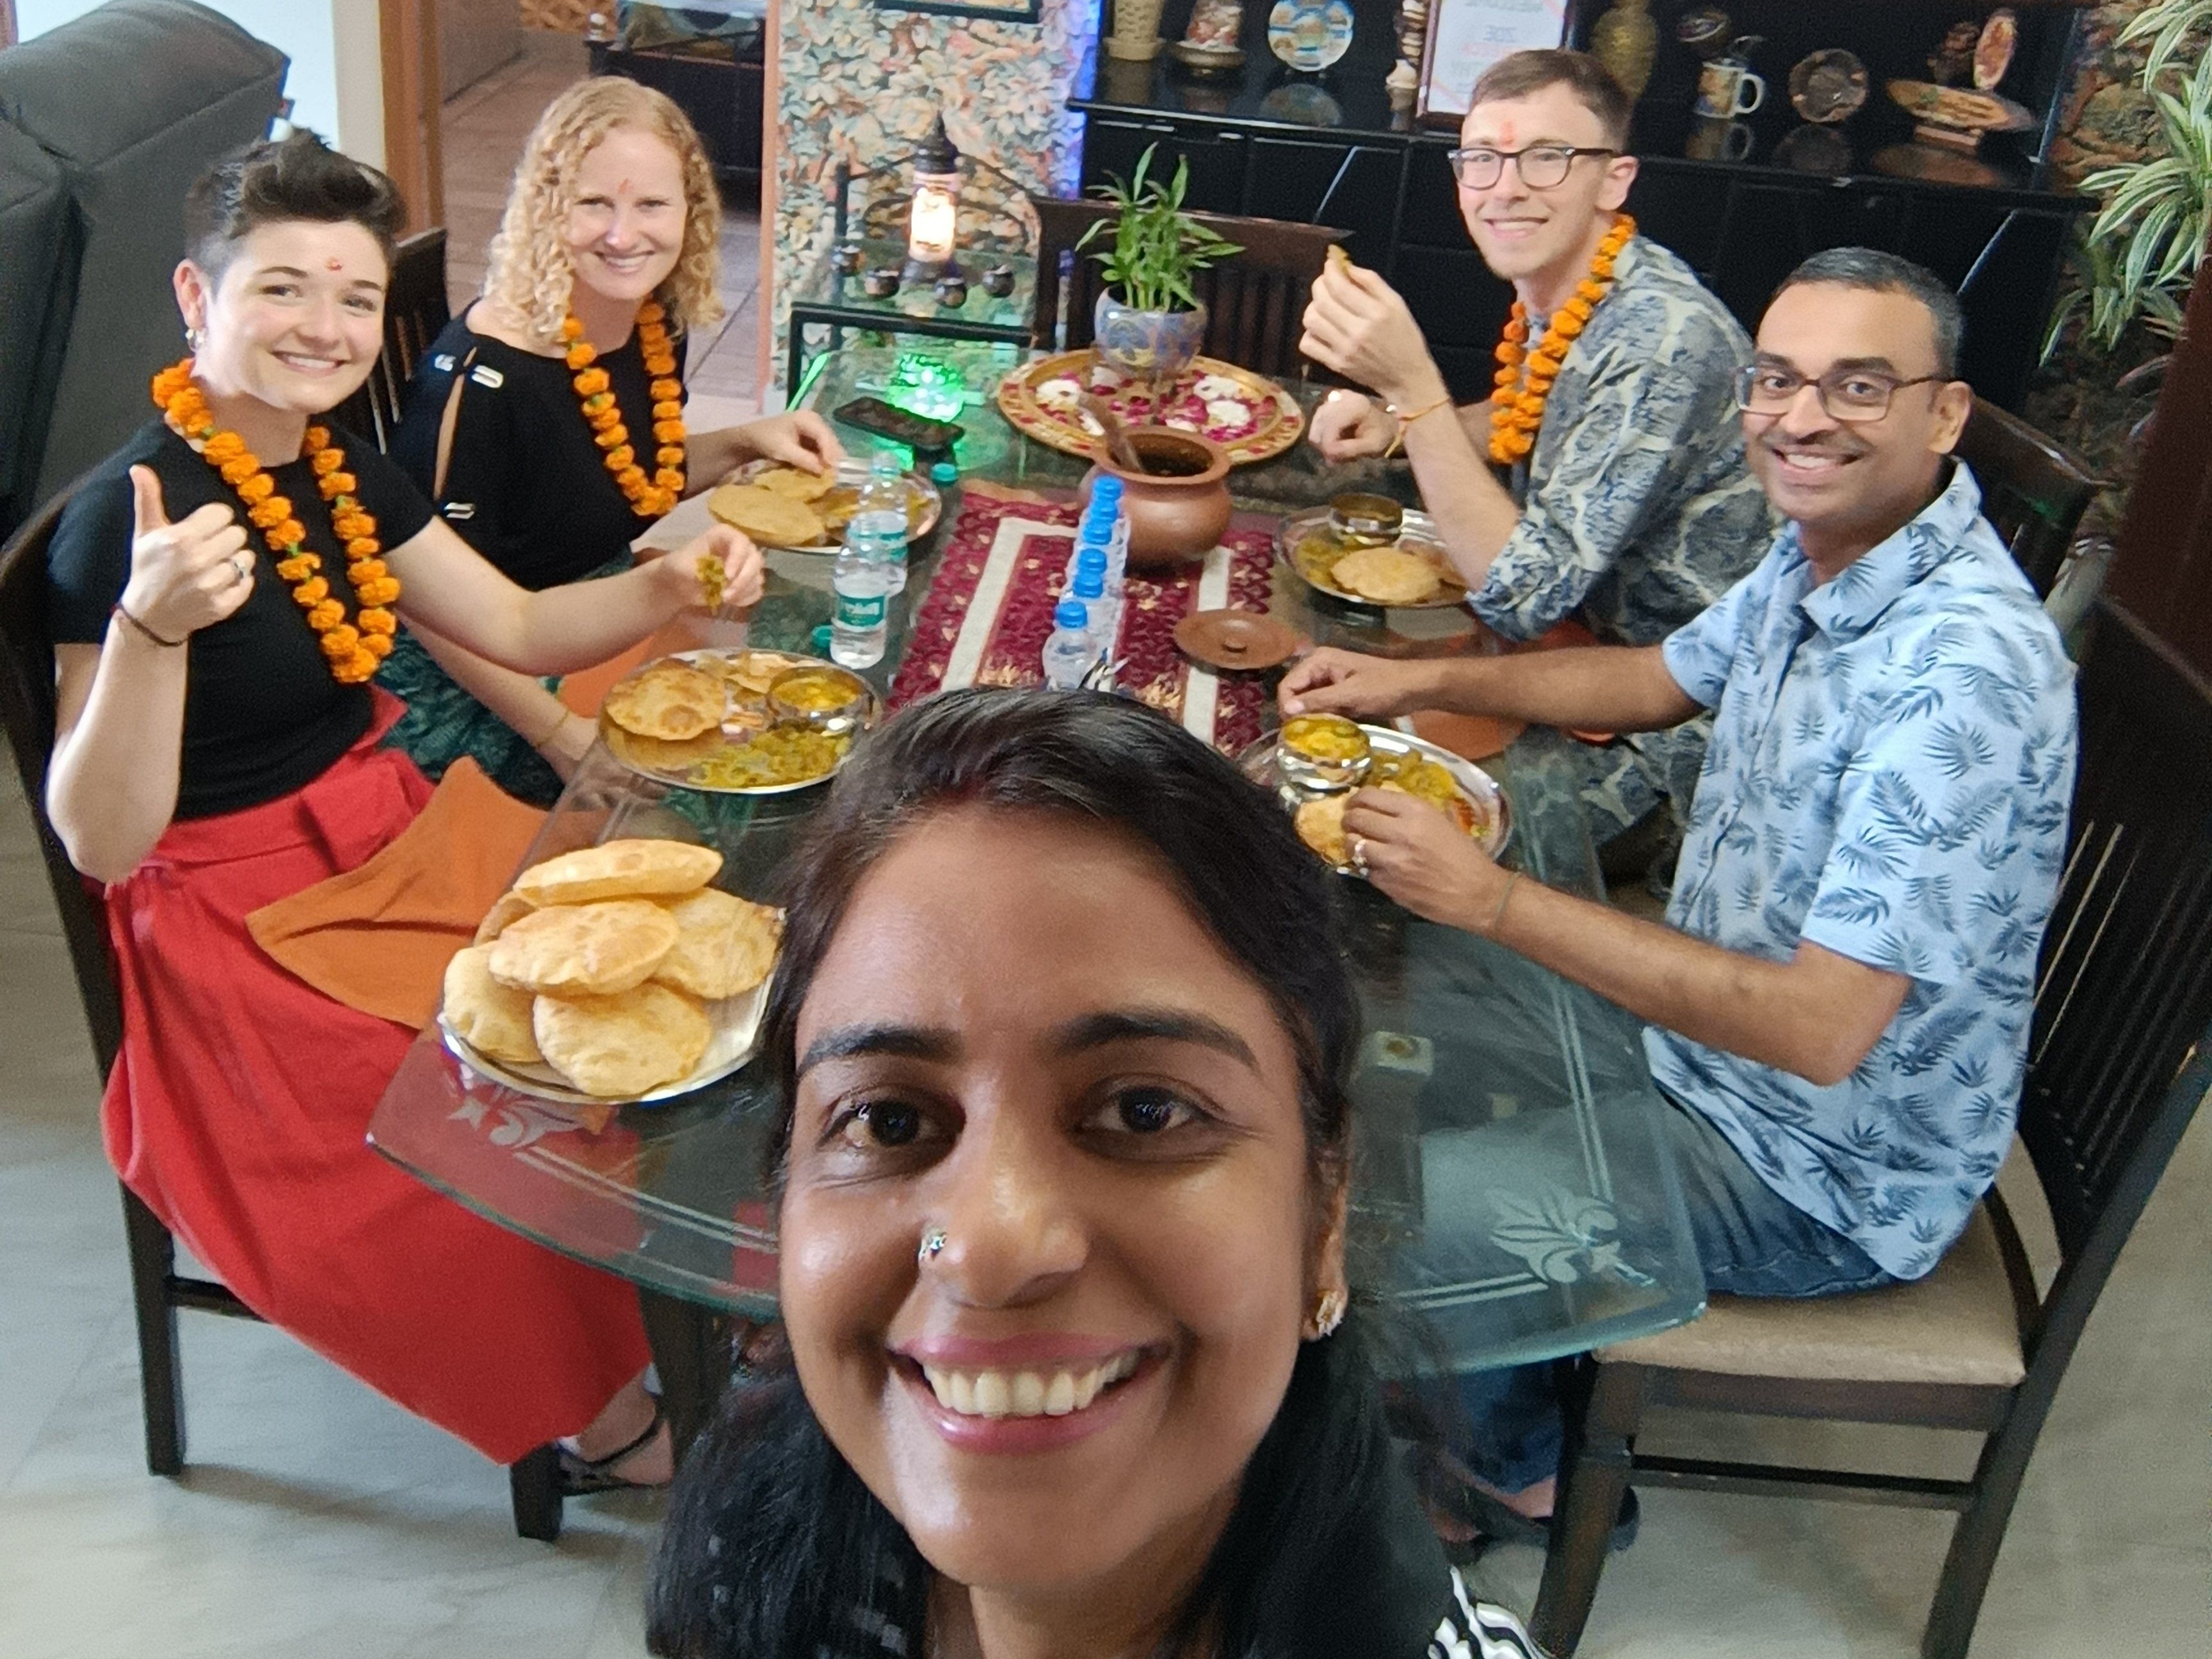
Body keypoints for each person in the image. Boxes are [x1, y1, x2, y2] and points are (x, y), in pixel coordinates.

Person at [1280, 250, 2078, 1539]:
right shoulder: (1829, 553)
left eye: (1856, 386)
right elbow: (1654, 677)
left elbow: (1818, 1029)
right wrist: (1408, 687)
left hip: (1816, 1170)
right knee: (1364, 1022)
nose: (1799, 415)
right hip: (1697, 1058)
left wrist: (1488, 900)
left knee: (1368, 1210)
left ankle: (1504, 1463)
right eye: (1777, 379)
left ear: (1942, 414)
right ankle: (1491, 1375)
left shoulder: (1961, 677)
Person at [44, 131, 767, 1485]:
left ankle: (685, 1313)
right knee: (463, 1140)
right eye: (280, 289)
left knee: (635, 1017)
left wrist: (667, 590)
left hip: (396, 827)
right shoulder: (124, 525)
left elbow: (518, 616)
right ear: (198, 301)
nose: (324, 326)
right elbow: (102, 838)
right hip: (230, 923)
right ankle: (604, 1416)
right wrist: (149, 630)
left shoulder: (333, 469)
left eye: (355, 296)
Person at [646, 689, 1542, 1659]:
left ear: (1322, 1211)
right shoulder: (756, 1546)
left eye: (1143, 1111)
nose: (985, 1247)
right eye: (889, 1119)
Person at [1300, 49, 1773, 850]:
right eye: (1480, 159)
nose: (1505, 187)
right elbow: (1533, 413)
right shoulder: (1577, 289)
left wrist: (1414, 390)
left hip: (1669, 738)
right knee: (1316, 696)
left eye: (1546, 158)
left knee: (1348, 815)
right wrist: (1397, 425)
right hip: (1555, 661)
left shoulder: (1661, 339)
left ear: (1614, 179)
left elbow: (1520, 594)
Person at [384, 76, 843, 805]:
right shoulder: (482, 380)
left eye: (651, 204)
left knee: (796, 702)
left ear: (689, 210)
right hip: (477, 681)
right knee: (708, 788)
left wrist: (748, 440)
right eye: (593, 204)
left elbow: (613, 477)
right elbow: (424, 603)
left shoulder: (652, 319)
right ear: (545, 209)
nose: (624, 236)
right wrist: (558, 734)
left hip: (602, 607)